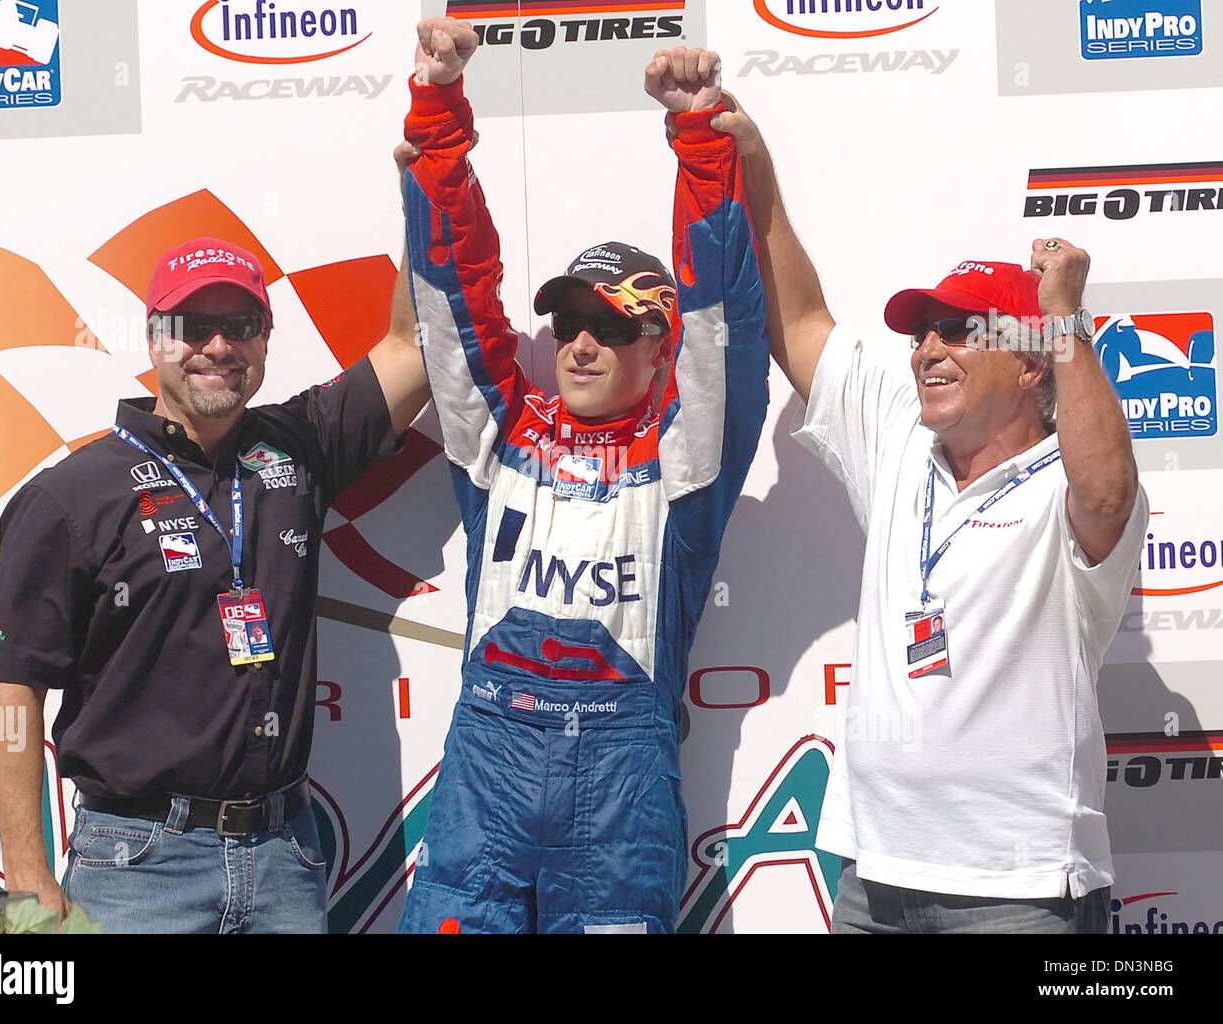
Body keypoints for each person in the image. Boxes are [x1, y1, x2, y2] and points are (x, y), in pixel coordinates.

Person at [723, 105, 1148, 932]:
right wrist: (751, 155)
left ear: (1031, 362)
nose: (927, 349)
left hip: (1018, 890)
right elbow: (802, 323)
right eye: (923, 333)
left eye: (958, 330)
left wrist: (1064, 317)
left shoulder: (1072, 475)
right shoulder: (896, 431)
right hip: (872, 876)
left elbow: (1105, 497)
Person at [396, 21, 768, 933]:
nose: (580, 342)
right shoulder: (503, 431)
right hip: (488, 760)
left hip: (621, 780)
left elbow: (725, 329)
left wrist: (699, 139)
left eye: (606, 324)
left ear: (657, 345)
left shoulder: (683, 457)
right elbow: (453, 304)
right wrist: (439, 119)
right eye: (565, 325)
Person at [0, 236, 429, 933]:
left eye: (241, 326)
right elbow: (11, 690)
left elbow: (412, 347)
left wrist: (426, 181)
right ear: (156, 340)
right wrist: (29, 877)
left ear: (265, 341)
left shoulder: (297, 446)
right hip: (136, 865)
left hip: (285, 857)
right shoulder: (71, 496)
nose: (218, 346)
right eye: (192, 326)